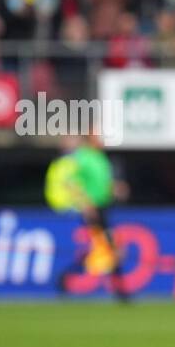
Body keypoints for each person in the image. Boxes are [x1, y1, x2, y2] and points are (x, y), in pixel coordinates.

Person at [47, 128, 131, 301]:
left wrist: (115, 188)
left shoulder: (99, 157)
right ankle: (119, 291)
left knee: (110, 250)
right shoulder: (81, 157)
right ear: (90, 138)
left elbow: (100, 183)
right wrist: (84, 204)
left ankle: (120, 291)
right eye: (98, 135)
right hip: (92, 211)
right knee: (107, 250)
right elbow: (70, 182)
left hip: (103, 208)